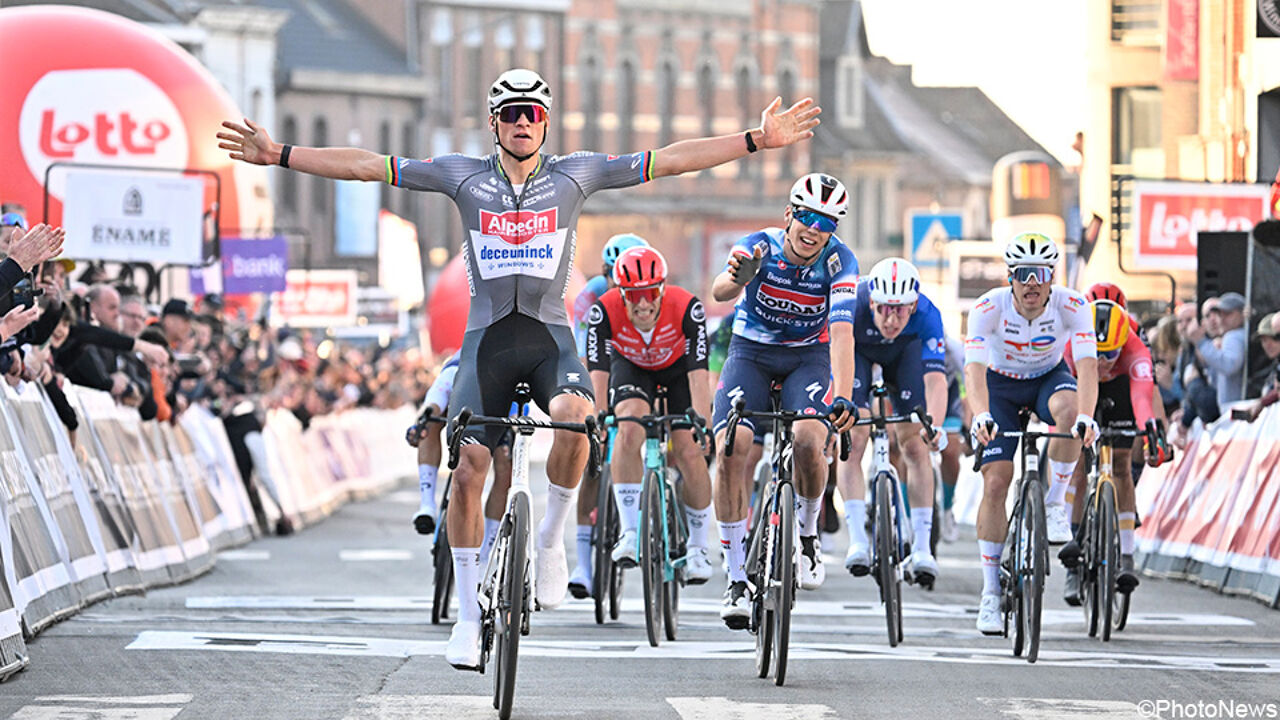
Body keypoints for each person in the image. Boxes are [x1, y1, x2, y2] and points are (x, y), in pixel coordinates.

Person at [221, 67, 820, 669]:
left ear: (547, 121)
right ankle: (464, 615)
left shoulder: (574, 174)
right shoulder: (461, 177)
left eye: (534, 112)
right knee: (470, 470)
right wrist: (279, 155)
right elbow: (365, 164)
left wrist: (754, 140)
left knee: (578, 420)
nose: (524, 122)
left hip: (548, 336)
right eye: (512, 113)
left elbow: (666, 160)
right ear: (494, 122)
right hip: (486, 343)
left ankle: (554, 538)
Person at [709, 173, 858, 629]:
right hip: (750, 354)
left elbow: (843, 336)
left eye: (827, 221)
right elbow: (719, 290)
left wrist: (846, 399)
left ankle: (809, 534)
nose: (815, 229)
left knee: (811, 439)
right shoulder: (760, 246)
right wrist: (738, 279)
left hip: (807, 360)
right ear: (790, 213)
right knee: (732, 448)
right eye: (808, 216)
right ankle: (736, 579)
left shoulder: (840, 263)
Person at [965, 232, 1098, 635]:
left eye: (1041, 274)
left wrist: (1087, 418)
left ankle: (1055, 505)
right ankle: (990, 594)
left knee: (1070, 413)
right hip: (1000, 387)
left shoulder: (1072, 304)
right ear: (1010, 277)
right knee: (996, 483)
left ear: (1052, 276)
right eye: (1023, 274)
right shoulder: (988, 307)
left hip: (1047, 379)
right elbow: (973, 370)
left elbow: (1088, 367)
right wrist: (981, 414)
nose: (1032, 284)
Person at [582, 245, 713, 594]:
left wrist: (703, 422)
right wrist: (598, 415)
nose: (643, 305)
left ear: (663, 289)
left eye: (651, 294)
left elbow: (699, 371)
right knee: (626, 430)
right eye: (634, 296)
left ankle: (699, 549)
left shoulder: (687, 307)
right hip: (633, 368)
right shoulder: (603, 311)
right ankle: (629, 532)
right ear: (619, 293)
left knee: (688, 448)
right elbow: (598, 369)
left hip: (678, 371)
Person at [837, 258, 948, 587]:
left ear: (913, 305)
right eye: (884, 308)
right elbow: (836, 362)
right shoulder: (851, 303)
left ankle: (923, 547)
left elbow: (936, 381)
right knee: (854, 440)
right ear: (871, 301)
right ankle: (857, 538)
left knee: (915, 445)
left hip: (905, 355)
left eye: (900, 310)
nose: (890, 318)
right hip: (856, 352)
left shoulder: (928, 315)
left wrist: (936, 426)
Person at [1059, 299, 1172, 606]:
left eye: (1110, 354)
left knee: (1121, 466)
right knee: (1078, 465)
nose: (1103, 362)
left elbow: (1143, 397)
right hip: (1080, 384)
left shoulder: (1135, 350)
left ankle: (1126, 554)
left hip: (1122, 387)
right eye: (1098, 354)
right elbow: (1065, 395)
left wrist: (1151, 434)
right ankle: (1073, 545)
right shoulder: (1073, 346)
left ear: (1123, 343)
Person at [405, 351, 512, 564]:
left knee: (505, 464)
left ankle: (488, 548)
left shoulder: (505, 368)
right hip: (456, 386)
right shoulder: (453, 370)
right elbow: (431, 406)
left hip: (495, 399)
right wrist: (419, 426)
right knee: (430, 422)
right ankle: (427, 506)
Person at [572, 233, 649, 358]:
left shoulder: (653, 296)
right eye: (615, 274)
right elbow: (583, 348)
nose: (620, 283)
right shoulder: (593, 291)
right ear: (605, 271)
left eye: (629, 275)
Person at [1186, 292, 1248, 407]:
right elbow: (1216, 381)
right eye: (1220, 314)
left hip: (1236, 408)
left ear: (1242, 314)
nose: (1222, 319)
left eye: (1228, 314)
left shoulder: (1234, 335)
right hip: (1232, 407)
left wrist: (1202, 342)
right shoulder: (1228, 337)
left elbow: (1229, 365)